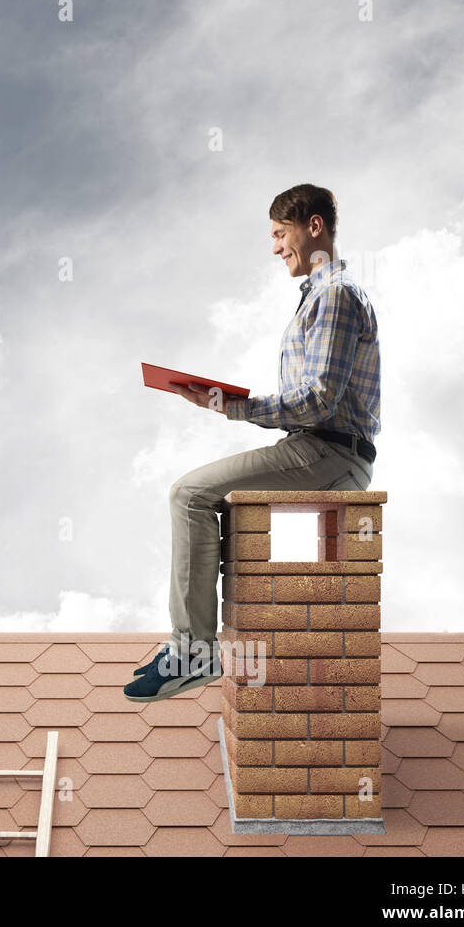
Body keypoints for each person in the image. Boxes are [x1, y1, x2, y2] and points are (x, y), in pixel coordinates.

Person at [125, 183, 381, 703]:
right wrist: (223, 400)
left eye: (279, 234)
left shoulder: (335, 295)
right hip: (320, 448)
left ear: (314, 227)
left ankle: (193, 652)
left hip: (329, 451)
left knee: (189, 495)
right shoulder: (320, 297)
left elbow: (317, 402)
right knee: (206, 496)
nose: (274, 248)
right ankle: (194, 645)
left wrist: (231, 405)